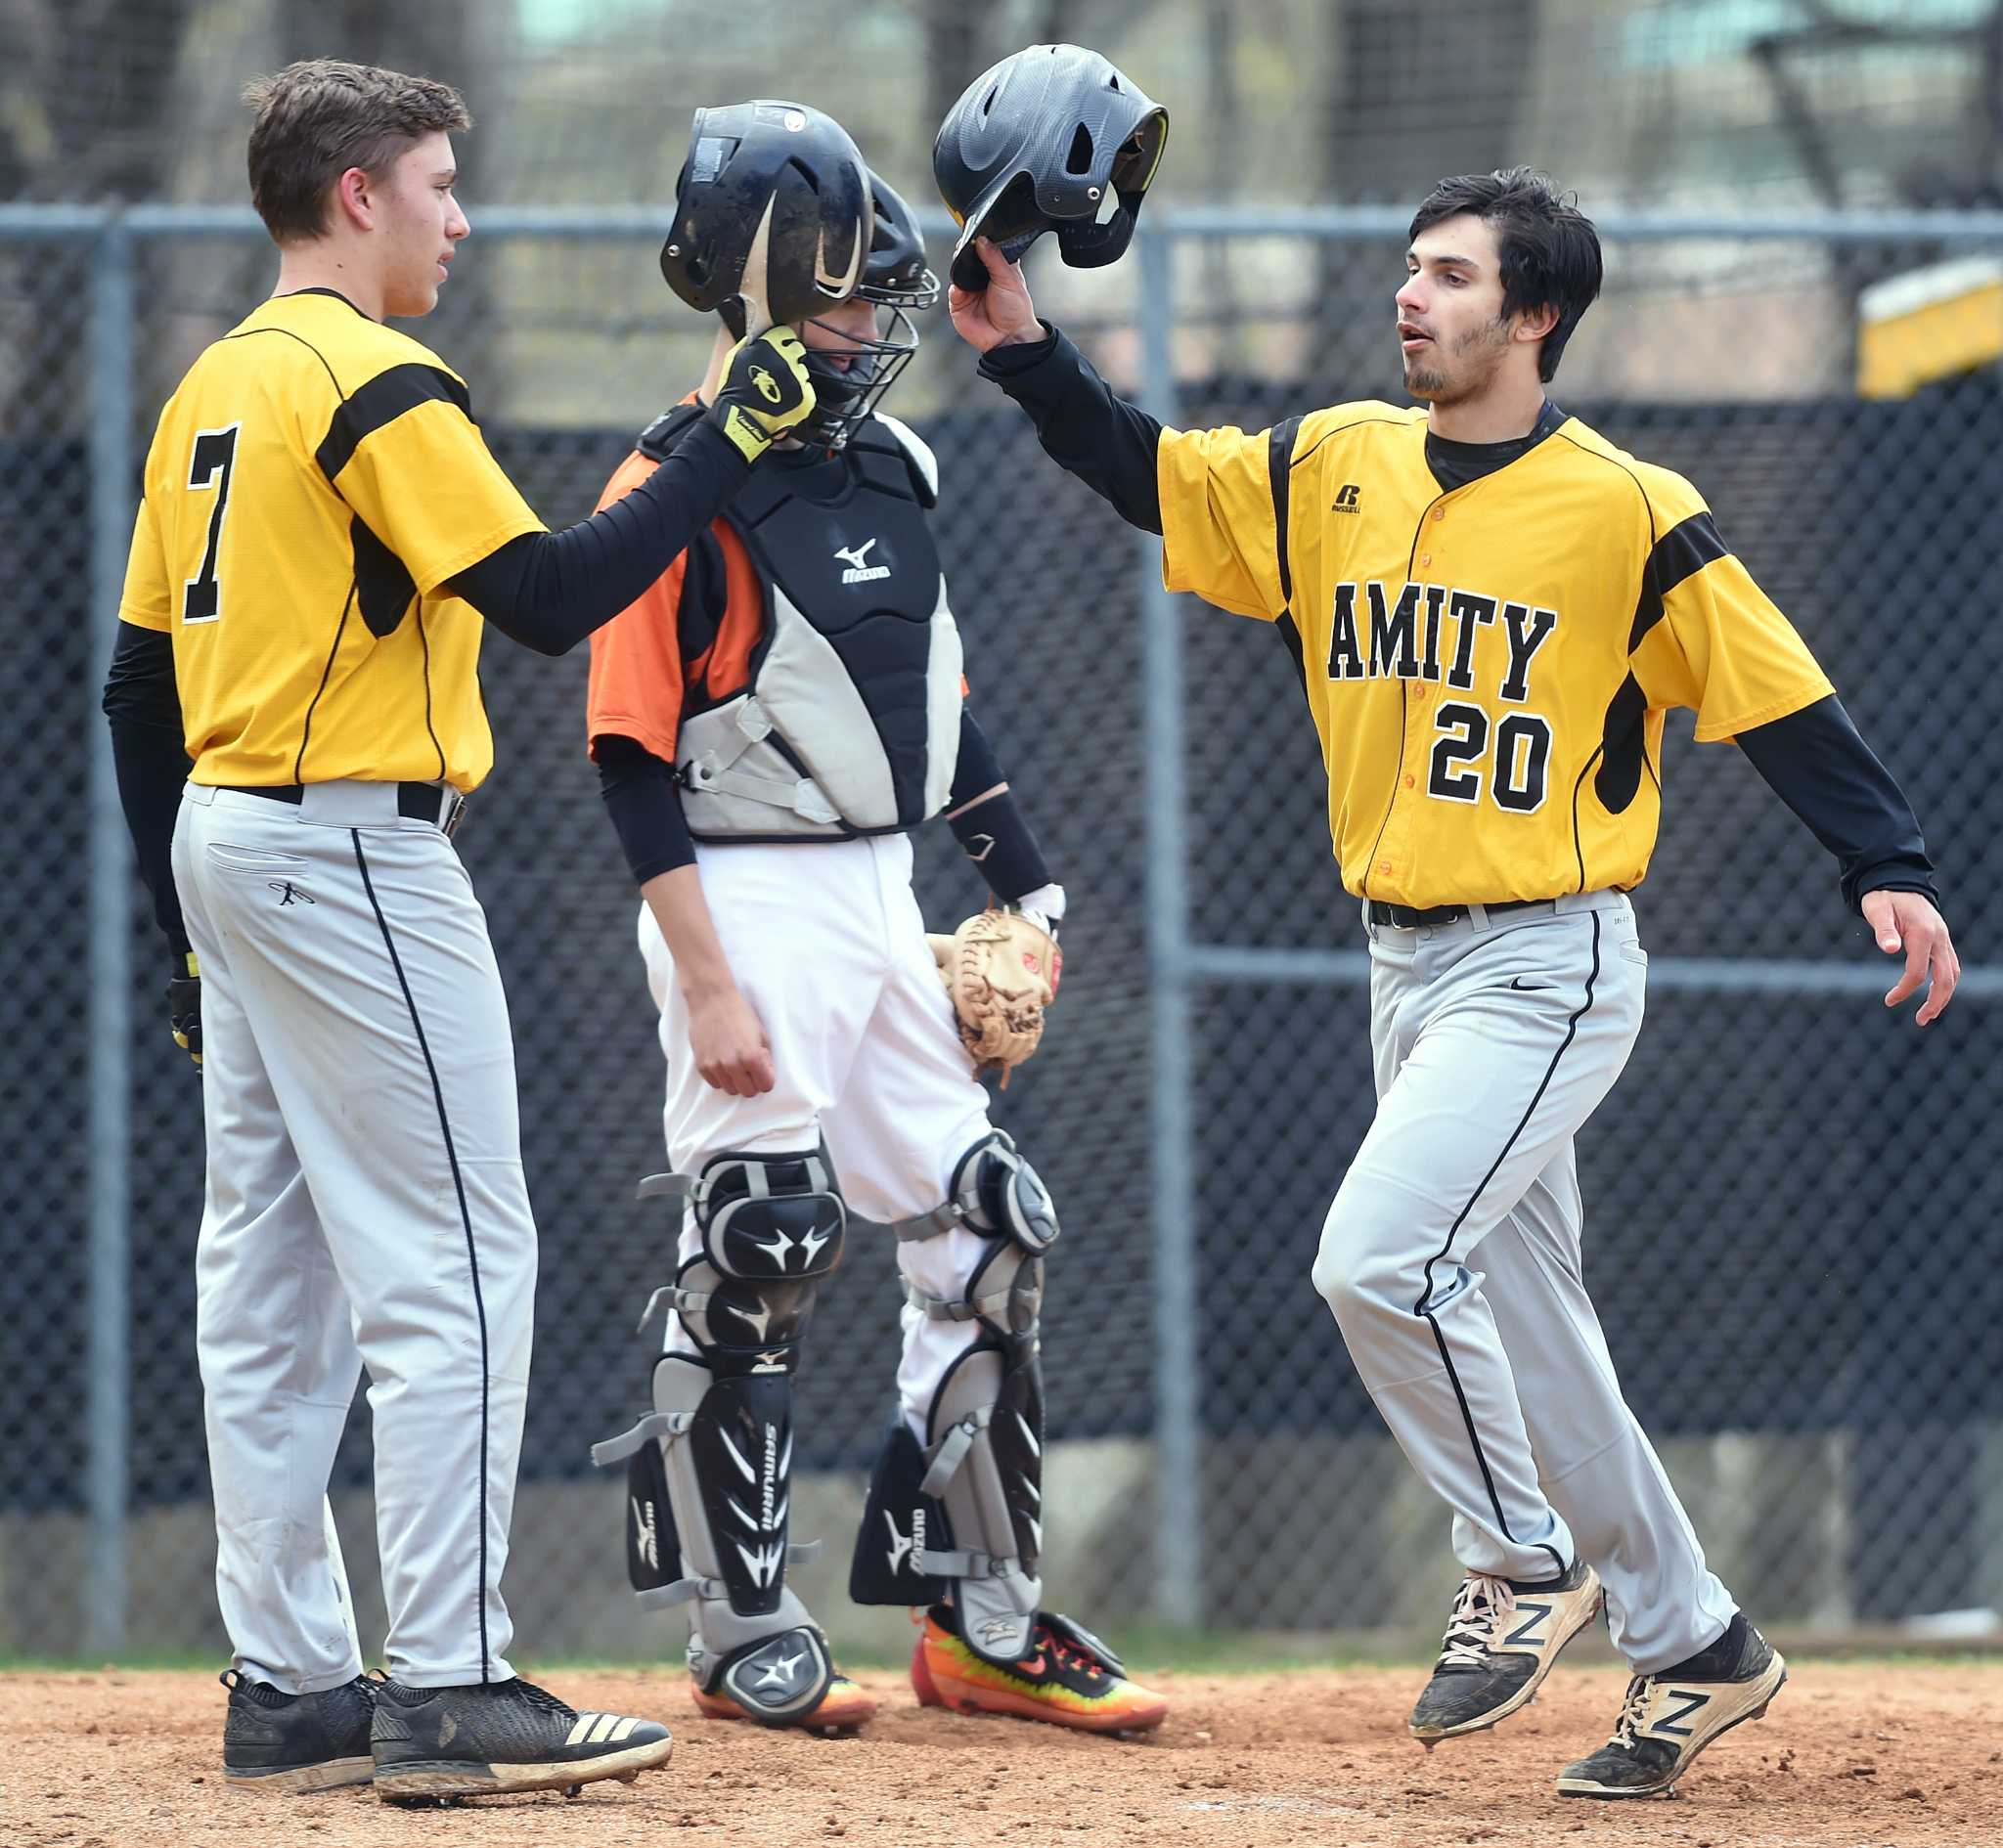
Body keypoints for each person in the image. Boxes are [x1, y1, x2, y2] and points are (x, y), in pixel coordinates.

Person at [949, 167, 1958, 1798]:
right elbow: (1154, 474)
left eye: (1453, 275)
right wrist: (1021, 348)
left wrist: (1886, 863)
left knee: (1379, 1259)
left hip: (1545, 956)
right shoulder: (1335, 460)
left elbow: (1777, 691)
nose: (1412, 296)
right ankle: (1693, 1634)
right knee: (1542, 1330)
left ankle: (1518, 1554)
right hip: (1400, 964)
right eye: (1410, 268)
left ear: (1535, 314)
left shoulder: (1625, 505)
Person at [99, 59, 820, 1803]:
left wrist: (180, 937)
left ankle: (290, 1679)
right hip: (351, 847)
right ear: (356, 197)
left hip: (228, 838)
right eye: (433, 182)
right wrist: (732, 427)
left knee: (264, 1285)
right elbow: (555, 597)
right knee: (460, 1270)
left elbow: (136, 689)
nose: (457, 215)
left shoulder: (217, 382)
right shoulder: (367, 371)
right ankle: (449, 1681)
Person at [583, 105, 1168, 1738]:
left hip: (875, 882)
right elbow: (628, 764)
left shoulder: (892, 465)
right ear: (761, 291)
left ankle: (975, 1620)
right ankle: (735, 1622)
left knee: (990, 1221)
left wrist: (1026, 887)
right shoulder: (670, 485)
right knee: (761, 1233)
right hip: (733, 884)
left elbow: (934, 708)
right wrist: (704, 978)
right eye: (842, 297)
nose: (873, 326)